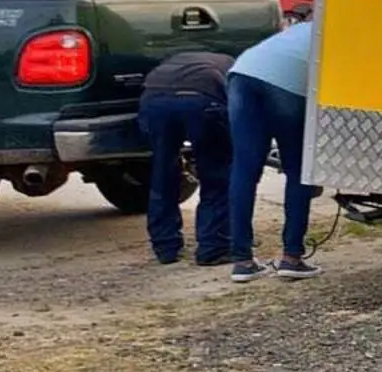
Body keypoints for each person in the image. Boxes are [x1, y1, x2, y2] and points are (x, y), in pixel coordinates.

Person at [226, 19, 320, 282]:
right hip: (287, 82)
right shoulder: (340, 32)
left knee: (244, 169)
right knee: (298, 170)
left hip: (242, 72)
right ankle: (291, 257)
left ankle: (242, 261)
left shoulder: (300, 29)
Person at [135, 50, 234, 266]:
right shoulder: (235, 67)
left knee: (162, 172)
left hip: (154, 101)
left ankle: (165, 247)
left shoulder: (177, 60)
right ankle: (214, 248)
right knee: (216, 175)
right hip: (201, 99)